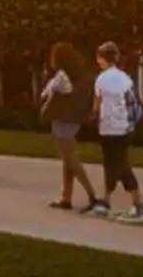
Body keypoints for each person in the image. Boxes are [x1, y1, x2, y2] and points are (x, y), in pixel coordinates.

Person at [41, 41, 104, 214]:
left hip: (62, 120)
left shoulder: (62, 78)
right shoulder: (81, 77)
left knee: (71, 159)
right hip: (75, 120)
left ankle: (92, 196)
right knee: (68, 161)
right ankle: (66, 196)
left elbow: (52, 96)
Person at [92, 41, 143, 225]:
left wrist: (91, 117)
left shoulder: (101, 79)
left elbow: (97, 105)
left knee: (119, 165)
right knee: (114, 163)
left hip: (109, 127)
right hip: (125, 127)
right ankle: (106, 200)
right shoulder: (125, 77)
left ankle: (139, 204)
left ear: (101, 58)